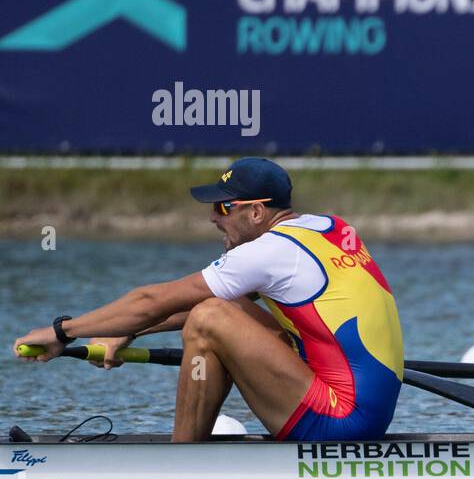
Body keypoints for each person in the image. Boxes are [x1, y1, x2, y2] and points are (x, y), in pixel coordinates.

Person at [12, 157, 404, 442]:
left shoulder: (267, 253)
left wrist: (62, 331)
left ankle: (181, 461)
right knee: (223, 306)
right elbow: (180, 307)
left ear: (255, 212)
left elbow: (152, 299)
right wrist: (127, 333)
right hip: (366, 411)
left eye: (223, 207)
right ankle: (190, 451)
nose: (213, 218)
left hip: (338, 421)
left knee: (209, 318)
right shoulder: (330, 227)